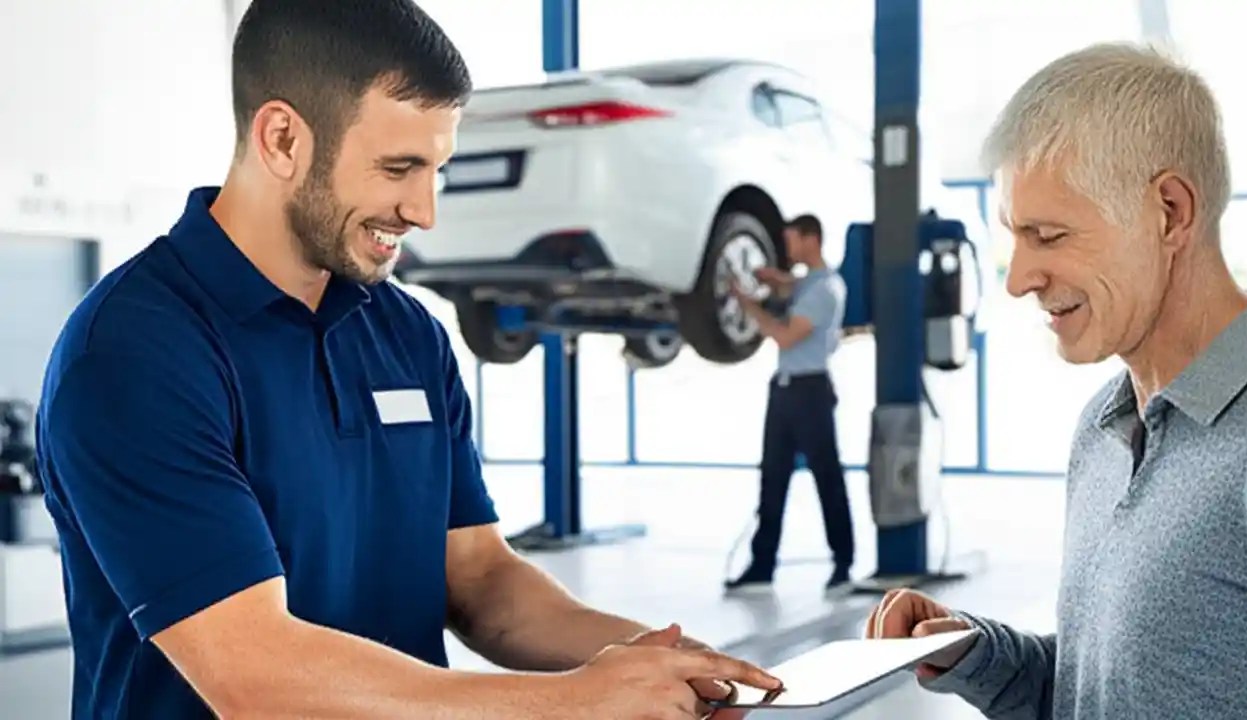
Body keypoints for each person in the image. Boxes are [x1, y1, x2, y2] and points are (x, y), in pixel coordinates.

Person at [33, 1, 781, 718]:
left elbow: (482, 580)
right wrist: (576, 703)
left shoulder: (408, 334)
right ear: (283, 140)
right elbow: (255, 678)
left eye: (439, 170)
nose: (424, 210)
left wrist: (663, 664)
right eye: (398, 169)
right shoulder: (133, 353)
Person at [864, 42, 1247, 719]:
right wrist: (981, 656)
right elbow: (1104, 691)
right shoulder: (1104, 428)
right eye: (1015, 237)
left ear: (1170, 211)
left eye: (1049, 236)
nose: (1018, 278)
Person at [722, 214, 855, 598]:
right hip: (784, 390)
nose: (787, 248)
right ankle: (762, 565)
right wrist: (773, 280)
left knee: (826, 479)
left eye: (792, 240)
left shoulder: (824, 290)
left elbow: (784, 336)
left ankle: (843, 563)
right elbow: (792, 284)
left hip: (809, 392)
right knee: (772, 478)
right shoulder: (810, 283)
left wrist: (748, 304)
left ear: (811, 240)